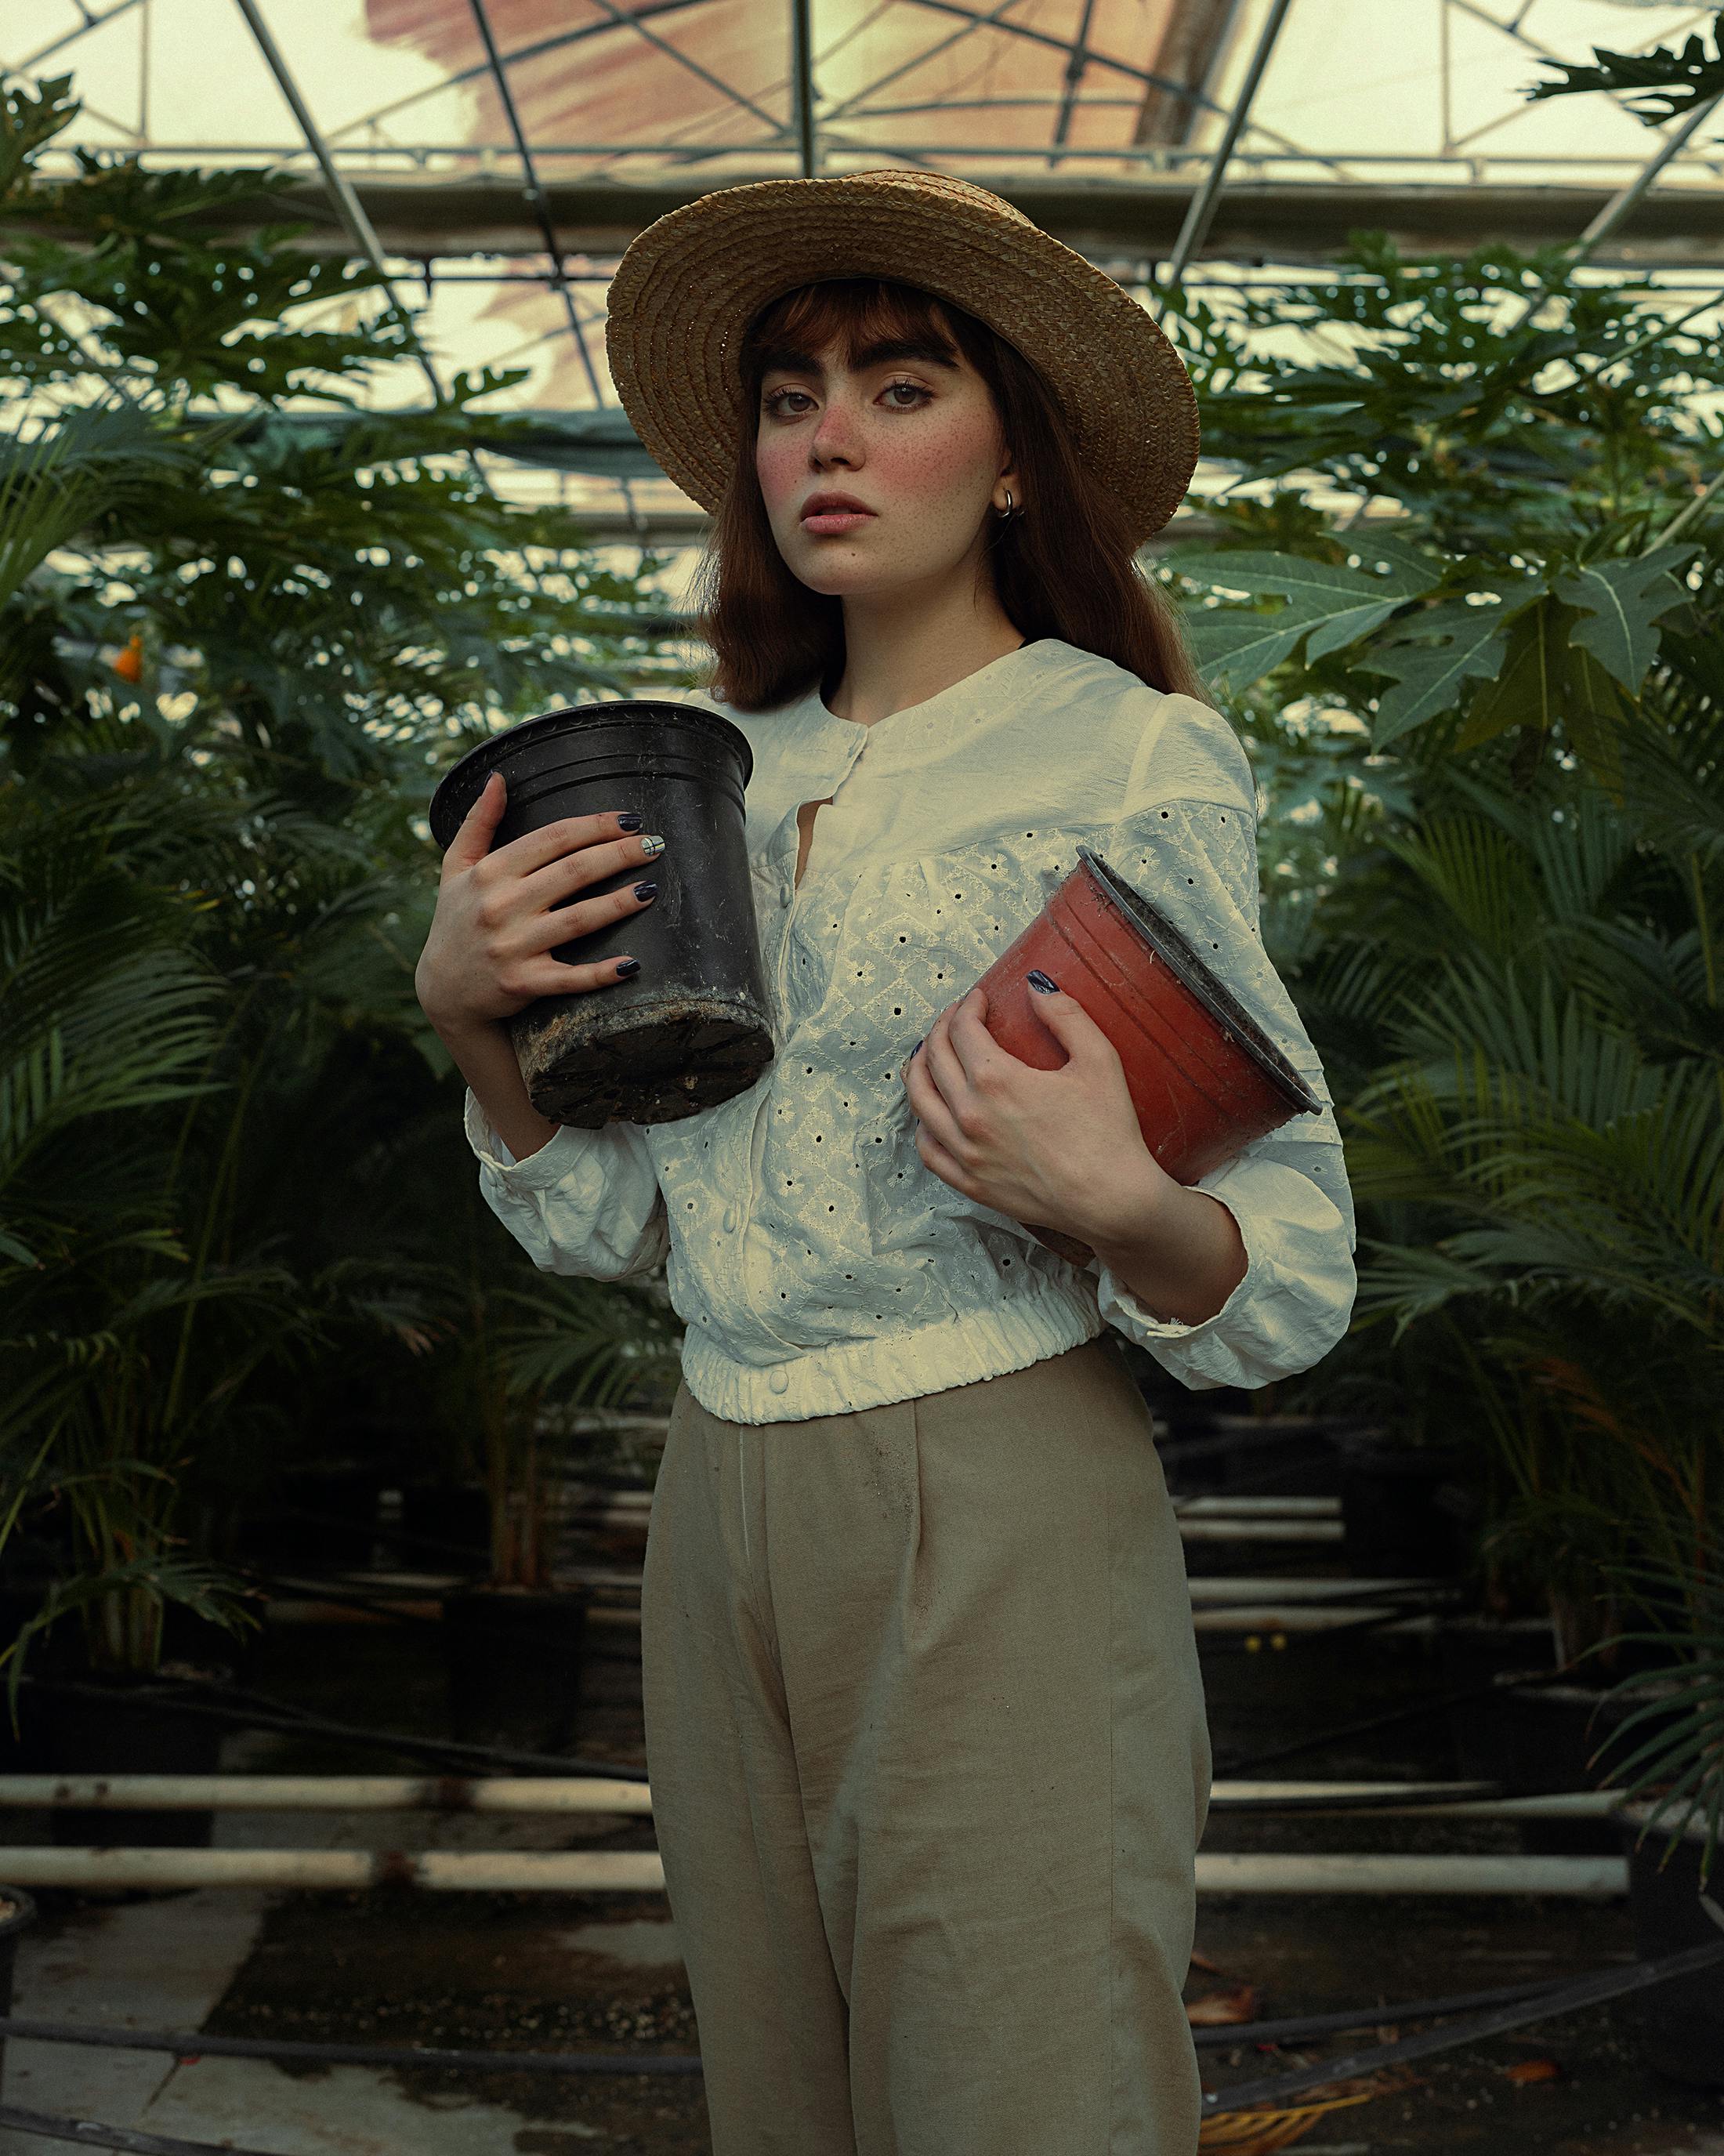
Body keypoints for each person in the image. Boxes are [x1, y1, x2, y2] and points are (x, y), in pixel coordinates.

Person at [415, 169, 1356, 2156]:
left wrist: (1110, 1195)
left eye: (897, 383)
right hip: (717, 1492)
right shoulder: (703, 775)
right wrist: (472, 1020)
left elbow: (1279, 1247)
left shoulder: (1118, 755)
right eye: (786, 395)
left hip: (999, 1480)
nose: (825, 437)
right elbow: (621, 1217)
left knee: (1023, 2094)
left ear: (1015, 456)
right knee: (785, 2104)